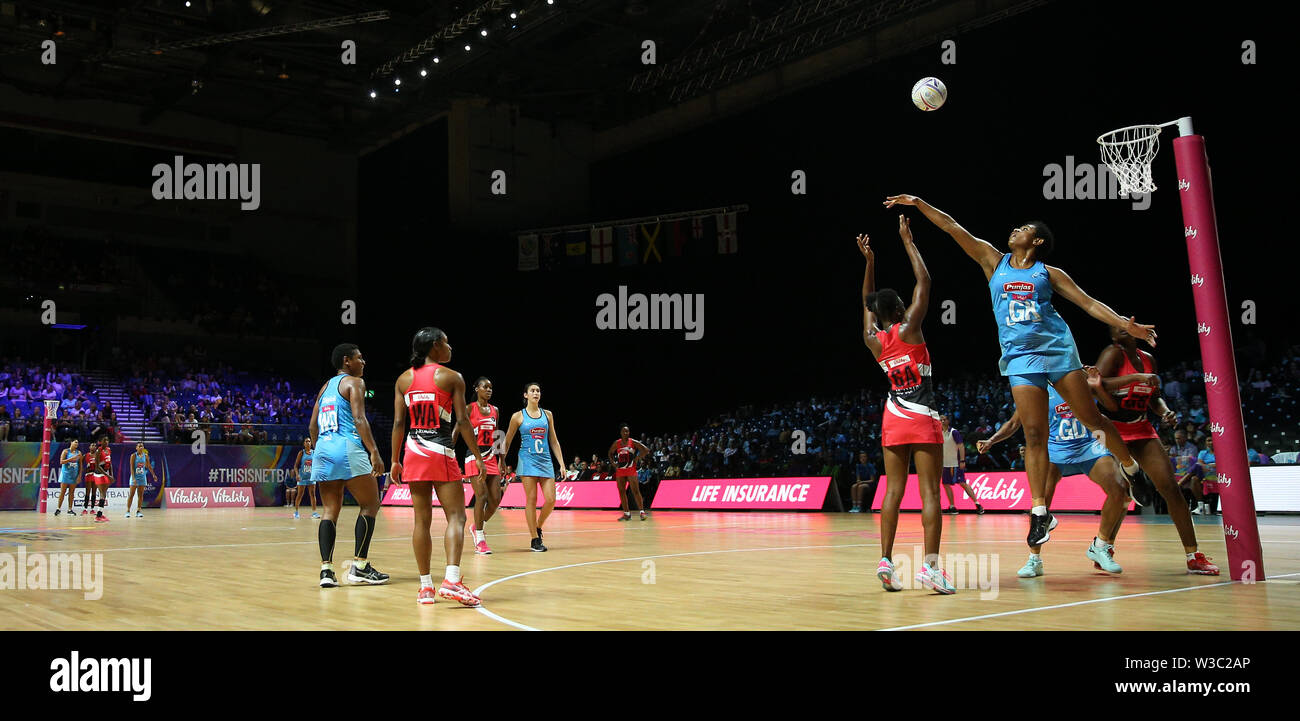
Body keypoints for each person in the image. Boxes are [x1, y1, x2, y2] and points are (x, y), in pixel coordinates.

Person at [883, 194, 1154, 549]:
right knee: (1034, 434)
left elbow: (1087, 302)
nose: (1015, 230)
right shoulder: (994, 261)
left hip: (1057, 352)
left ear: (1037, 241)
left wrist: (1124, 324)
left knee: (1093, 420)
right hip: (1020, 359)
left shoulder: (1049, 273)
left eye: (1024, 229)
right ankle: (1040, 512)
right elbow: (952, 228)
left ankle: (1132, 469)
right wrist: (919, 203)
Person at [858, 215, 954, 593]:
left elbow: (866, 305)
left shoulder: (874, 341)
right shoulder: (910, 328)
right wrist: (907, 239)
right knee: (930, 494)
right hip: (923, 417)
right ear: (899, 310)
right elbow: (925, 281)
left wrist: (869, 263)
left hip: (893, 417)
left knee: (892, 492)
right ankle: (930, 568)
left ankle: (885, 559)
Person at [979, 382, 1131, 577]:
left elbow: (1110, 404)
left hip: (1089, 445)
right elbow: (1013, 423)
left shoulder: (1079, 378)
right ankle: (1034, 560)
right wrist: (991, 440)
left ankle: (1099, 546)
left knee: (1119, 489)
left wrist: (1101, 383)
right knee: (1040, 506)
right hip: (1054, 450)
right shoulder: (1037, 389)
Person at [1087, 354, 1218, 574]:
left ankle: (1193, 556)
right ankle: (1102, 547)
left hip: (1142, 430)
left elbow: (1154, 397)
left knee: (1171, 488)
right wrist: (1137, 377)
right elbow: (1099, 388)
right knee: (1121, 492)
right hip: (1111, 430)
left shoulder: (1148, 359)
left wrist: (1165, 411)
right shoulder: (1112, 354)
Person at [389, 327, 487, 606]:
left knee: (421, 521)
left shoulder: (403, 379)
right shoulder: (451, 377)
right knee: (457, 517)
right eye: (446, 343)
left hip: (413, 452)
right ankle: (453, 581)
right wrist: (478, 456)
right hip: (440, 452)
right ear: (434, 346)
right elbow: (463, 422)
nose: (450, 347)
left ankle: (425, 588)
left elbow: (399, 423)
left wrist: (395, 460)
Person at [308, 343, 389, 588]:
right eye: (359, 358)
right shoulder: (355, 383)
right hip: (347, 447)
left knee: (330, 510)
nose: (363, 362)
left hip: (323, 448)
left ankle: (326, 571)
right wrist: (374, 452)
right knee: (371, 503)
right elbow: (359, 418)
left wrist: (319, 448)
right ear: (347, 361)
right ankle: (360, 566)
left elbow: (313, 425)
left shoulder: (325, 387)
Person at [500, 383, 568, 552]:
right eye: (532, 391)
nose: (536, 393)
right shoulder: (518, 416)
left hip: (545, 461)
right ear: (526, 395)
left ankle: (538, 526)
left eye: (538, 391)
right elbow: (506, 440)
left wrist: (562, 463)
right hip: (527, 460)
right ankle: (534, 539)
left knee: (551, 500)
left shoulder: (548, 414)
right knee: (531, 500)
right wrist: (500, 460)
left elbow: (554, 440)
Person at [463, 377, 503, 555]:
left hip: (492, 456)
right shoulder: (470, 408)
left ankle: (477, 526)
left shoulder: (495, 410)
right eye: (485, 387)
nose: (489, 389)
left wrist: (502, 459)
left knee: (496, 499)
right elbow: (459, 429)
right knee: (482, 496)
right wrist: (450, 449)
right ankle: (480, 538)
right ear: (476, 389)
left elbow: (497, 434)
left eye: (491, 387)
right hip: (473, 455)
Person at [939, 414, 984, 514]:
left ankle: (978, 504)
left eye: (944, 420)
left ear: (948, 421)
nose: (942, 421)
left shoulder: (954, 432)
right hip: (945, 464)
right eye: (940, 420)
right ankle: (952, 507)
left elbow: (961, 447)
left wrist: (962, 461)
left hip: (955, 463)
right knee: (945, 484)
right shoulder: (940, 433)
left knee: (962, 483)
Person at [610, 424, 649, 521]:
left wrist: (637, 458)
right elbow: (610, 453)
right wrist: (613, 463)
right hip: (620, 471)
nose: (626, 433)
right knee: (622, 492)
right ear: (621, 433)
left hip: (631, 469)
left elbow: (646, 450)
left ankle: (642, 512)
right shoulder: (617, 443)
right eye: (624, 431)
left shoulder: (633, 442)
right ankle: (627, 514)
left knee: (635, 491)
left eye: (627, 431)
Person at [1168, 429, 1205, 514]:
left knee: (1195, 469)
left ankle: (1180, 483)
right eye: (1176, 439)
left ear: (1185, 438)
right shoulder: (1173, 448)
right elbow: (1172, 461)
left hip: (1190, 472)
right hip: (1178, 473)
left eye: (1179, 438)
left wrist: (1177, 457)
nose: (1177, 441)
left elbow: (1191, 461)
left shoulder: (1192, 448)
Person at [125, 441, 157, 517]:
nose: (141, 447)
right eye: (139, 446)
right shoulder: (133, 456)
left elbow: (149, 466)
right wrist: (133, 478)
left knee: (140, 495)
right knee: (131, 494)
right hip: (135, 477)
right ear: (136, 448)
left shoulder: (145, 456)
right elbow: (132, 468)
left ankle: (138, 511)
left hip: (142, 477)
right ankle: (128, 511)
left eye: (142, 446)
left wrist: (153, 475)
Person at [53, 439, 82, 516]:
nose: (77, 444)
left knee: (71, 493)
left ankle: (70, 509)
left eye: (77, 442)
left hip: (74, 475)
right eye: (75, 442)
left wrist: (79, 476)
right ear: (71, 442)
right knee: (62, 492)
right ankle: (58, 509)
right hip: (65, 474)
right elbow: (61, 462)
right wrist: (71, 459)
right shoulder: (65, 451)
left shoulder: (79, 453)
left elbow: (80, 465)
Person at [292, 438, 319, 519]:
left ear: (311, 443)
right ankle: (296, 512)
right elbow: (296, 466)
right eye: (306, 441)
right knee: (300, 494)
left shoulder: (314, 453)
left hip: (311, 477)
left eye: (309, 441)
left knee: (313, 494)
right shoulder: (301, 453)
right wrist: (297, 475)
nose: (308, 442)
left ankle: (314, 513)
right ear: (304, 443)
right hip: (302, 477)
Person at [1197, 437, 1222, 516]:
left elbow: (1222, 464)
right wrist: (1211, 465)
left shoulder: (1221, 451)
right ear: (1205, 443)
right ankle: (1201, 506)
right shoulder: (1203, 452)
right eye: (1208, 440)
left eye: (1212, 440)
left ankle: (1181, 482)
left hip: (1217, 474)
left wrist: (1207, 465)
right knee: (1194, 479)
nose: (1211, 442)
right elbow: (1200, 464)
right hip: (1205, 474)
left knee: (1194, 468)